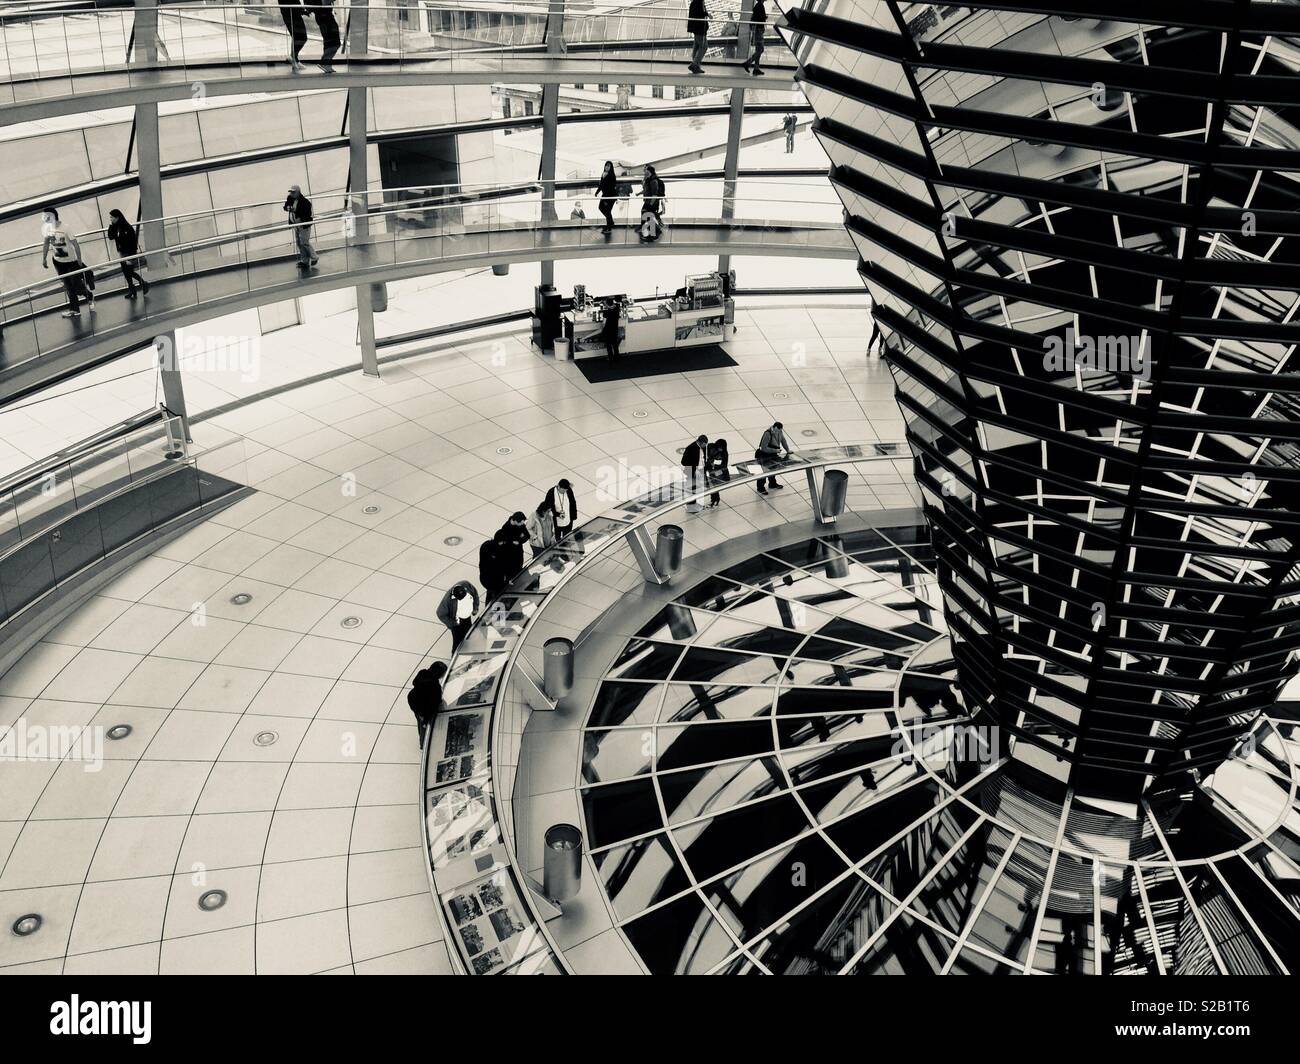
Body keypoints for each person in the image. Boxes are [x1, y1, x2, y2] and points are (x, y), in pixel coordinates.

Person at [41, 208, 95, 319]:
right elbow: (46, 243)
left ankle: (88, 295)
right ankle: (75, 310)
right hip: (58, 262)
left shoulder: (66, 228)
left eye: (46, 216)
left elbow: (75, 244)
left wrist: (79, 260)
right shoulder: (47, 229)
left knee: (76, 284)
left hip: (71, 262)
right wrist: (44, 258)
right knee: (68, 286)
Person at [106, 209, 150, 300]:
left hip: (128, 253)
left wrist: (131, 257)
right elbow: (110, 237)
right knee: (126, 272)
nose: (110, 219)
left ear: (117, 217)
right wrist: (111, 226)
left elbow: (133, 242)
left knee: (129, 272)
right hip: (121, 253)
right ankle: (132, 290)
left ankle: (143, 283)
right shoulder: (115, 226)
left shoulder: (127, 227)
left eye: (112, 217)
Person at [407, 661, 448, 748]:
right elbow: (431, 706)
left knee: (419, 722)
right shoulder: (434, 687)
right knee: (423, 727)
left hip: (413, 700)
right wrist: (425, 720)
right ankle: (423, 744)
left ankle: (422, 742)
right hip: (422, 708)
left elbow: (414, 682)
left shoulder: (423, 672)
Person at [436, 581, 480, 651]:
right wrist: (453, 623)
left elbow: (475, 594)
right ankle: (454, 656)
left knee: (469, 634)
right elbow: (440, 614)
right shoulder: (447, 600)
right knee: (457, 642)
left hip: (467, 618)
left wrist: (475, 607)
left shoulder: (466, 585)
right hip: (457, 623)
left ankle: (469, 649)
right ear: (455, 596)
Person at [283, 185, 318, 270]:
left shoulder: (305, 202)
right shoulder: (290, 198)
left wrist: (295, 210)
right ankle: (305, 261)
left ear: (298, 192)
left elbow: (306, 214)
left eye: (293, 192)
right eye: (291, 192)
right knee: (299, 243)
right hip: (296, 225)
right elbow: (285, 207)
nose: (291, 193)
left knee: (304, 242)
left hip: (304, 225)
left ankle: (314, 257)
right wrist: (288, 208)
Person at [755, 420, 791, 494]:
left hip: (773, 454)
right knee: (763, 472)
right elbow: (764, 448)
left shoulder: (780, 431)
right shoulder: (767, 433)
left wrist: (788, 450)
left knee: (773, 469)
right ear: (774, 427)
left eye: (780, 431)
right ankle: (760, 488)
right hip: (764, 455)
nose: (778, 432)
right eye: (777, 431)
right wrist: (776, 451)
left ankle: (772, 484)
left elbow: (783, 441)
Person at [306, 0, 340, 72]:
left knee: (330, 41)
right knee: (334, 42)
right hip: (324, 16)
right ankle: (324, 62)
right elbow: (324, 2)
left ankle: (327, 63)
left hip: (324, 16)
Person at [478, 531, 510, 599]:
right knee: (494, 594)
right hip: (491, 580)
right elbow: (499, 565)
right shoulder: (491, 549)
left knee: (490, 593)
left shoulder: (486, 545)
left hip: (487, 578)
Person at [682, 434, 708, 513]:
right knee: (691, 489)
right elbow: (683, 462)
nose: (705, 446)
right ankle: (690, 506)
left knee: (695, 488)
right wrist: (694, 469)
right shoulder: (690, 448)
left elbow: (703, 458)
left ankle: (694, 503)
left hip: (700, 471)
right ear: (700, 442)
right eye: (704, 444)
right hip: (692, 472)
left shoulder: (703, 447)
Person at [280, 0, 308, 72]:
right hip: (291, 14)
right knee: (301, 37)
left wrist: (302, 10)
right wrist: (302, 11)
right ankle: (293, 58)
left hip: (293, 13)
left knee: (297, 37)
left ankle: (294, 59)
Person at [741, 0, 766, 75]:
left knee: (758, 49)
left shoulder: (758, 6)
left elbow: (756, 17)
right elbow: (759, 18)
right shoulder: (760, 6)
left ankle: (756, 68)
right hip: (758, 30)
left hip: (757, 30)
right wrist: (764, 17)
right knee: (760, 49)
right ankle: (748, 63)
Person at [594, 160, 619, 234]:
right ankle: (610, 222)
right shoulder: (603, 174)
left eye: (609, 166)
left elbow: (611, 188)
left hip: (610, 196)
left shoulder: (612, 175)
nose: (607, 167)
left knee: (607, 210)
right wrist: (597, 191)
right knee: (601, 208)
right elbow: (601, 185)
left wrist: (606, 200)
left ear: (611, 168)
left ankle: (609, 227)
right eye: (606, 165)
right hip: (605, 195)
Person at [706, 437, 730, 507]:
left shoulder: (724, 453)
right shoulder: (710, 447)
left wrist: (714, 466)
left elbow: (724, 466)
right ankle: (714, 499)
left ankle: (715, 499)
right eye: (720, 448)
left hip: (717, 471)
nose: (721, 449)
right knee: (711, 483)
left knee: (714, 484)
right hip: (710, 469)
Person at [686, 0, 708, 74]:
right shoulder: (698, 2)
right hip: (699, 28)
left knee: (697, 46)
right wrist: (707, 14)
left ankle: (696, 65)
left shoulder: (696, 1)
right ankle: (694, 65)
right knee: (704, 46)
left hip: (697, 28)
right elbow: (699, 14)